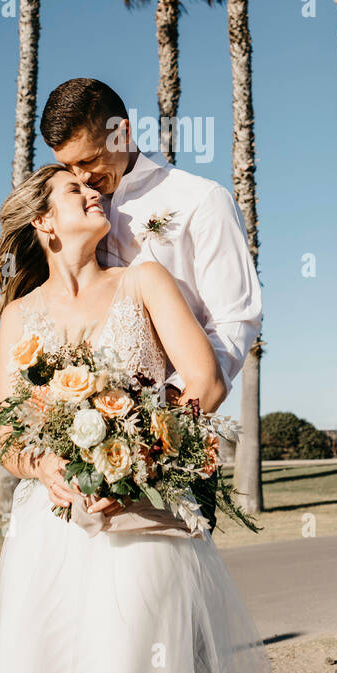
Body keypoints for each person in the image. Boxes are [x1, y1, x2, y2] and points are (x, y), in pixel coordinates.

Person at [0, 163, 275, 673]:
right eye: (75, 190)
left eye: (96, 186)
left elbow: (206, 383)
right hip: (48, 534)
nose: (94, 192)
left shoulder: (144, 279)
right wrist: (48, 463)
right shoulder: (18, 315)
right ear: (44, 223)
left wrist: (137, 451)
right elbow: (7, 432)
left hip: (141, 529)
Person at [38, 78, 263, 530]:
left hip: (174, 435)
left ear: (121, 131)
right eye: (69, 166)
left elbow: (236, 320)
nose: (81, 177)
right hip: (82, 446)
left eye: (88, 159)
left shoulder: (200, 200)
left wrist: (161, 423)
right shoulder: (77, 210)